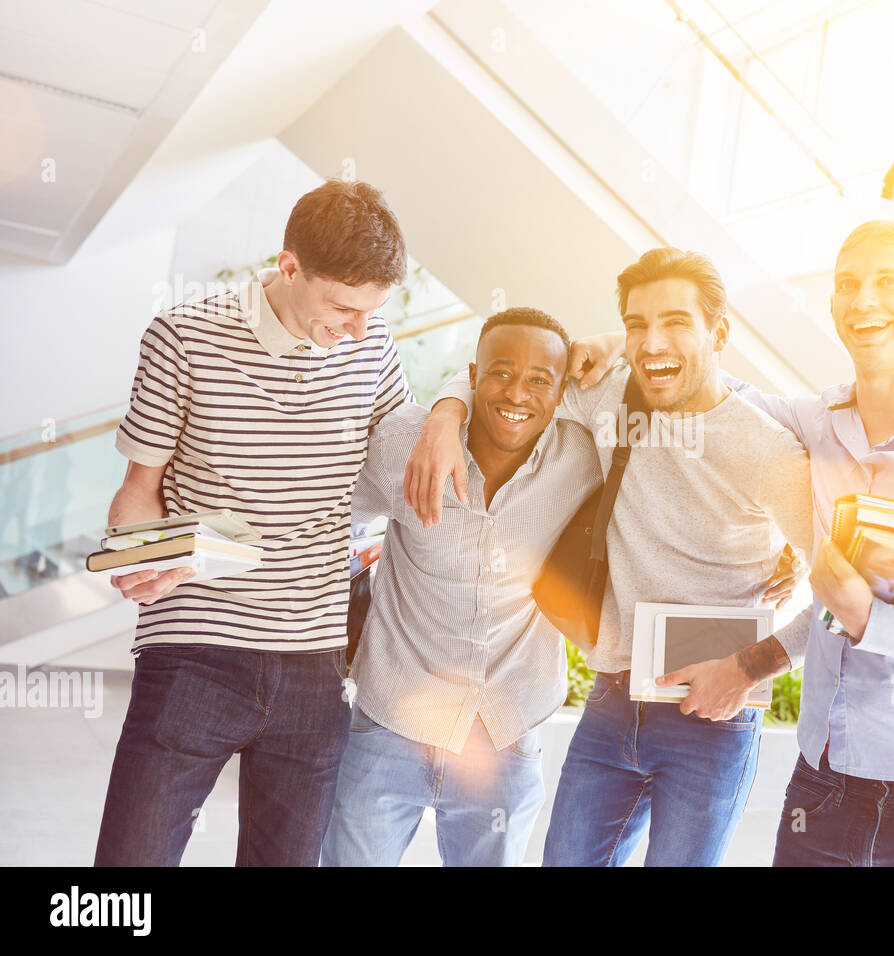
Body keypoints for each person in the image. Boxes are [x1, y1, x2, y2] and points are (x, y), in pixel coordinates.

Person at [572, 221, 894, 866]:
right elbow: (718, 394)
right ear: (832, 307)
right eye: (848, 285)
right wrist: (632, 343)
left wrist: (872, 621)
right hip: (826, 789)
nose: (863, 300)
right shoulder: (811, 426)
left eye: (888, 282)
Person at [403, 248, 814, 866]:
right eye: (637, 324)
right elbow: (510, 375)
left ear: (720, 332)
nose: (652, 342)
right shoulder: (612, 398)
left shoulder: (766, 449)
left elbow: (850, 593)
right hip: (611, 700)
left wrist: (752, 666)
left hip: (712, 719)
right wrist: (445, 414)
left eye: (676, 322)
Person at [94, 179, 412, 866]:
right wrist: (135, 553)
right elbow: (138, 491)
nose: (356, 329)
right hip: (195, 652)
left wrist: (448, 411)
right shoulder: (183, 336)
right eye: (342, 306)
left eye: (371, 311)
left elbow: (399, 470)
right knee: (130, 864)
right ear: (289, 266)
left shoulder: (373, 346)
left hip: (315, 667)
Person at [320, 308, 605, 866]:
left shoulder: (581, 455)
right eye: (501, 372)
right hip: (389, 727)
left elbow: (677, 392)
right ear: (473, 374)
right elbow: (326, 512)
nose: (517, 394)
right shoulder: (408, 441)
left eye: (540, 380)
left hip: (503, 736)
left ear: (562, 389)